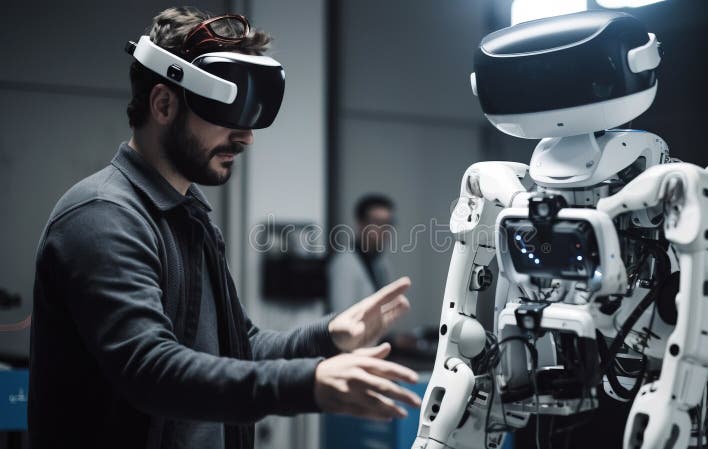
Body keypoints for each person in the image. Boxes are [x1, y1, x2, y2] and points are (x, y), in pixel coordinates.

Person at [28, 7, 419, 449]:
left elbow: (239, 346)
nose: (246, 135)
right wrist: (307, 382)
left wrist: (326, 337)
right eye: (225, 111)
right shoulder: (102, 216)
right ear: (163, 104)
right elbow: (149, 369)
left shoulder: (189, 216)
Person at [328, 195, 397, 312]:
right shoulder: (345, 264)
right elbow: (341, 316)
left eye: (388, 223)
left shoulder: (381, 261)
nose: (384, 230)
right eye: (378, 223)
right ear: (361, 224)